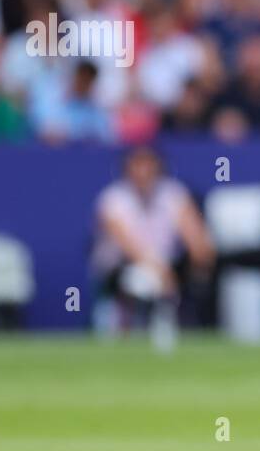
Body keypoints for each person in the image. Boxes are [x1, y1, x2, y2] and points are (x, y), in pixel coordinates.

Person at [91, 145, 215, 348]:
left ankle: (183, 326)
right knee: (143, 280)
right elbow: (128, 245)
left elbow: (196, 237)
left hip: (167, 265)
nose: (143, 171)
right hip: (121, 268)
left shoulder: (174, 194)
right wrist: (158, 269)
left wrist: (200, 260)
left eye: (148, 165)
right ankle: (128, 325)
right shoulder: (113, 199)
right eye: (137, 165)